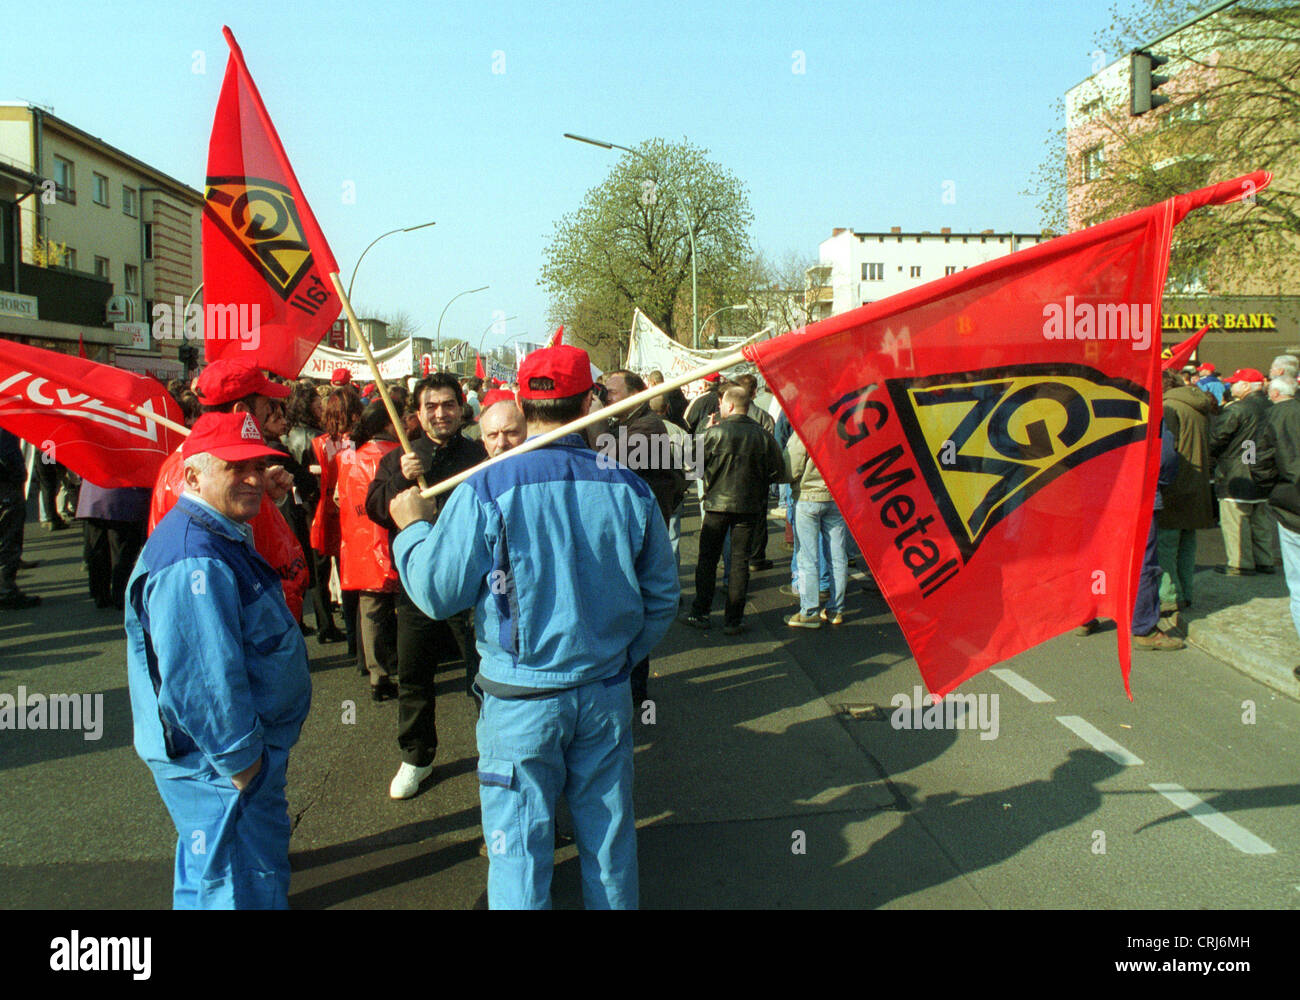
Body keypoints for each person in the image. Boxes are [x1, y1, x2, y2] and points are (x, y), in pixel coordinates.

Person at [387, 344, 677, 909]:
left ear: (522, 402)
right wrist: (614, 657)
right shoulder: (627, 486)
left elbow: (437, 593)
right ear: (589, 401)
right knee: (609, 843)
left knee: (518, 850)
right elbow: (662, 598)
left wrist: (412, 530)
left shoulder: (486, 487)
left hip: (521, 702)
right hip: (602, 693)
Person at [125, 412, 311, 909]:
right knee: (240, 886)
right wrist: (243, 763)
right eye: (235, 469)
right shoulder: (196, 559)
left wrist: (251, 490)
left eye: (257, 465)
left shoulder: (212, 529)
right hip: (221, 765)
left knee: (211, 879)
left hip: (218, 763)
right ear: (192, 477)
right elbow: (203, 682)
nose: (253, 478)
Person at [364, 373, 487, 799]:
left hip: (469, 585)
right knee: (415, 673)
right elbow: (375, 508)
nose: (440, 413)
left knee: (482, 672)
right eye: (431, 406)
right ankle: (417, 755)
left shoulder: (480, 452)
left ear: (461, 407)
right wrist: (400, 478)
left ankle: (494, 748)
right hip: (415, 584)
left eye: (448, 404)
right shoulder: (401, 456)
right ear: (418, 413)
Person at [148, 359, 307, 623]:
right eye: (267, 405)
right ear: (242, 411)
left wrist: (266, 495)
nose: (273, 413)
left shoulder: (196, 466)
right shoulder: (205, 474)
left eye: (256, 469)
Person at [600, 369, 686, 706]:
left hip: (639, 535)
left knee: (633, 613)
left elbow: (605, 464)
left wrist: (593, 420)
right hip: (632, 530)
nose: (606, 399)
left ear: (637, 394)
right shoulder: (625, 423)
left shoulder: (647, 427)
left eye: (611, 393)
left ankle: (634, 692)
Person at [683, 386, 788, 635]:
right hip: (749, 506)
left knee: (707, 560)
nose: (719, 408)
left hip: (716, 504)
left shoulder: (714, 432)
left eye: (721, 404)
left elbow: (691, 467)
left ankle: (701, 612)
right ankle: (733, 619)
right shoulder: (763, 436)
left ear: (729, 406)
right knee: (740, 562)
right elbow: (777, 471)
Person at [339, 401, 402, 700]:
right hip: (393, 536)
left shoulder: (349, 456)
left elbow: (341, 499)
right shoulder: (398, 455)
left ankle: (377, 672)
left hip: (359, 541)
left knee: (371, 610)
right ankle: (395, 664)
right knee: (401, 609)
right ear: (390, 423)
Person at [1156, 369, 1217, 611]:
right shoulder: (1197, 405)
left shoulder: (1169, 407)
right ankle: (1185, 592)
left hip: (1175, 484)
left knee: (1167, 545)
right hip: (1198, 483)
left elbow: (1167, 450)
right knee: (1187, 542)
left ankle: (1170, 596)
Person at [1209, 368, 1277, 575]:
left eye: (1235, 382)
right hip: (1265, 470)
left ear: (1246, 385)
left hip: (1236, 472)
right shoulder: (1272, 407)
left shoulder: (1237, 409)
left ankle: (1241, 563)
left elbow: (1216, 438)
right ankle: (1265, 560)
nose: (1231, 386)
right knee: (1261, 520)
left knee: (1236, 521)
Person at [784, 431, 848, 627]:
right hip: (836, 495)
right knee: (838, 557)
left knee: (807, 557)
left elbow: (791, 466)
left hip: (807, 497)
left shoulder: (805, 427)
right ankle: (836, 609)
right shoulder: (844, 427)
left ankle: (809, 611)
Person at [0, 429, 40, 610]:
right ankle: (5, 589)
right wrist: (19, 475)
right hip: (6, 485)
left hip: (6, 483)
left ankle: (6, 586)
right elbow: (8, 452)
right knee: (9, 538)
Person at [478, 390, 527, 457]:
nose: (501, 444)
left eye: (511, 433)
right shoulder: (479, 467)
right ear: (484, 441)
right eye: (493, 435)